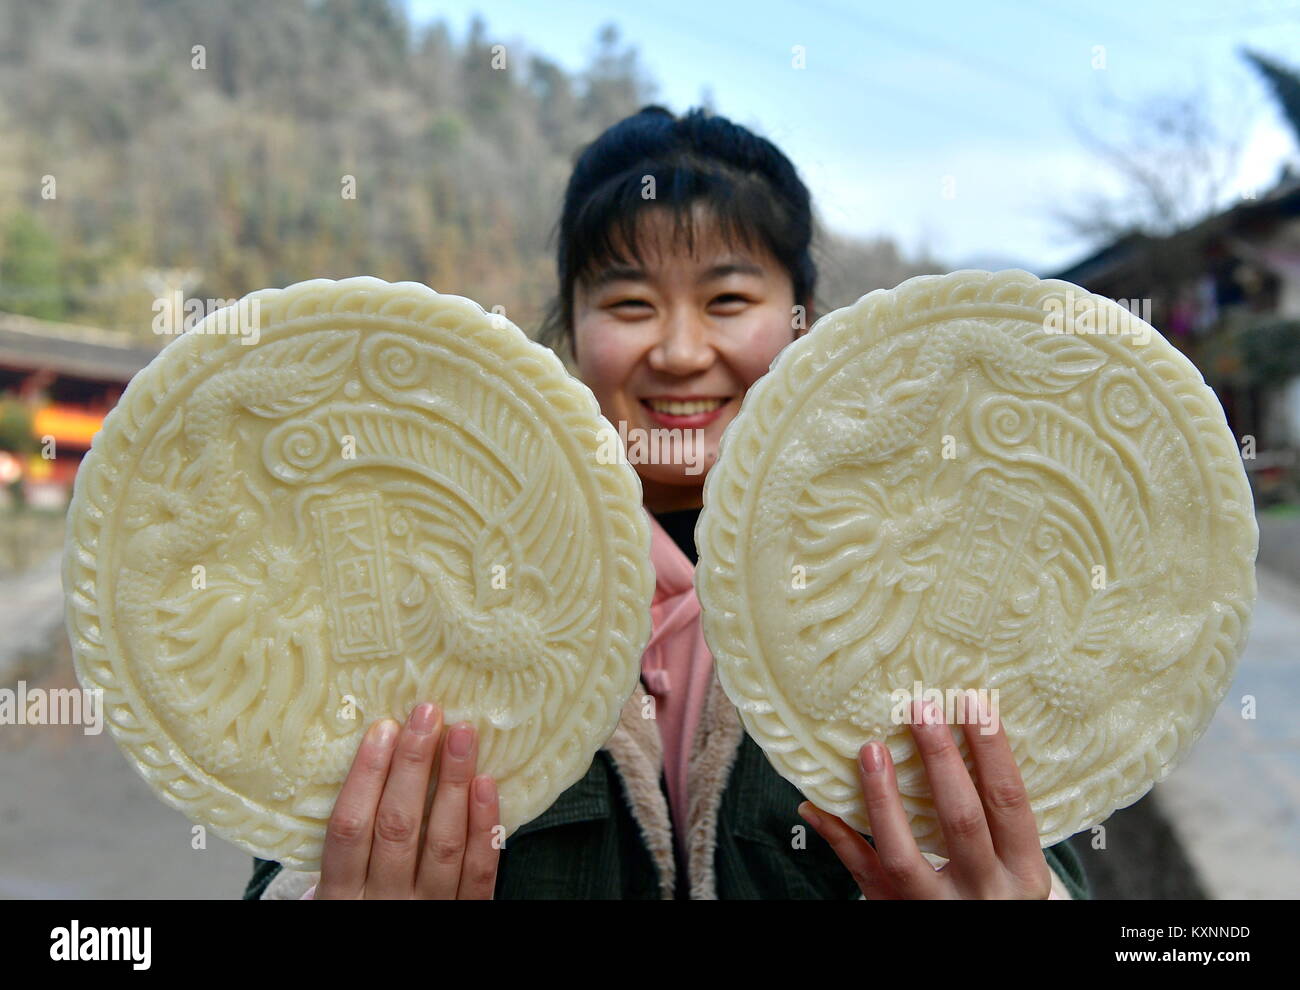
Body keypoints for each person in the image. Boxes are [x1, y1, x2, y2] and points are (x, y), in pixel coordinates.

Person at [245, 105, 1089, 900]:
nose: (682, 353)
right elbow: (286, 832)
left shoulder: (919, 583)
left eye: (727, 300)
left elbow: (1040, 849)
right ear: (571, 335)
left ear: (803, 326)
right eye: (630, 304)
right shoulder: (421, 576)